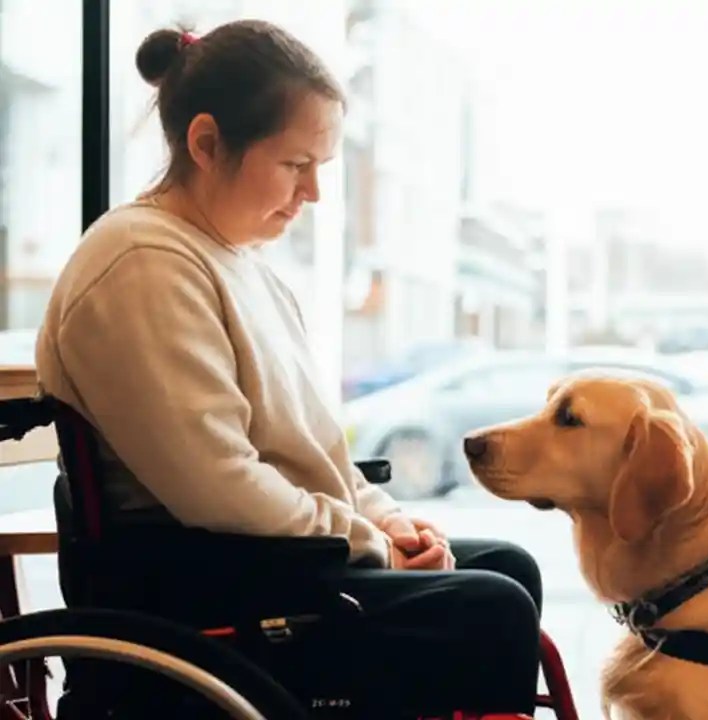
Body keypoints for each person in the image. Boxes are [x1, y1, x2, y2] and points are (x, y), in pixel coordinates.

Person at [35, 20, 542, 718]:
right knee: (488, 604)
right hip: (206, 582)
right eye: (295, 164)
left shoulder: (239, 265)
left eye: (320, 168)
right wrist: (372, 548)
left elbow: (312, 457)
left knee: (503, 567)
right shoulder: (141, 265)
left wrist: (392, 527)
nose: (313, 194)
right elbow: (219, 487)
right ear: (207, 144)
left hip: (274, 560)